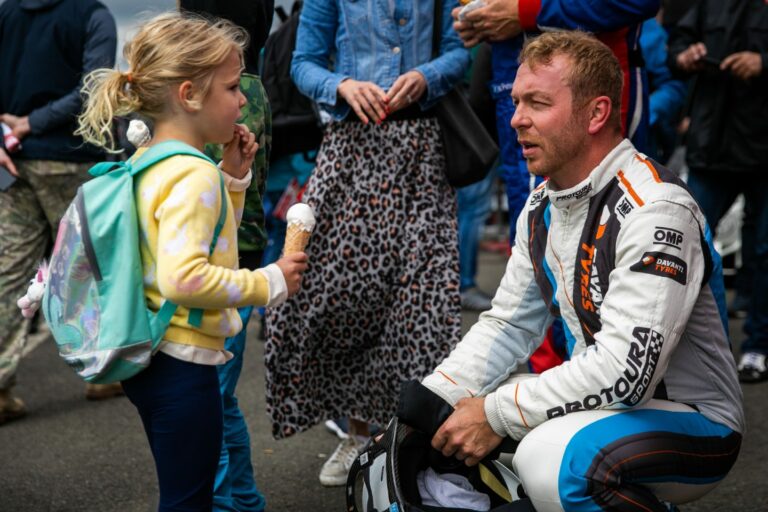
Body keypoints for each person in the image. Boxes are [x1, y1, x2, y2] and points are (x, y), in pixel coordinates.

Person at [402, 31, 744, 511]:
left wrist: (495, 412)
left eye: (537, 103)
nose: (517, 119)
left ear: (596, 113)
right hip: (613, 408)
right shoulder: (542, 201)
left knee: (549, 461)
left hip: (700, 421)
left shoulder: (658, 207)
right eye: (517, 101)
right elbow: (508, 324)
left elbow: (626, 372)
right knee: (469, 443)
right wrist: (432, 400)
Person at [75, 13, 307, 510]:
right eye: (231, 87)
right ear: (188, 96)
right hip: (183, 364)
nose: (244, 99)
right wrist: (269, 281)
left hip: (150, 356)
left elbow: (193, 238)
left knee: (182, 490)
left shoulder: (150, 160)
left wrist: (233, 179)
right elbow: (185, 277)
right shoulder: (192, 176)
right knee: (188, 500)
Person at [265, 0, 470, 487]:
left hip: (422, 152)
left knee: (424, 301)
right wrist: (341, 84)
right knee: (341, 298)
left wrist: (426, 76)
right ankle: (357, 432)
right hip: (351, 150)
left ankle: (415, 441)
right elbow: (302, 64)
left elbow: (458, 55)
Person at [0, 0, 118, 424]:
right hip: (71, 159)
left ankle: (0, 386)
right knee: (86, 267)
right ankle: (102, 371)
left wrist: (8, 134)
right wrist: (33, 121)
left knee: (8, 271)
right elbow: (94, 90)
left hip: (12, 164)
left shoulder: (7, 12)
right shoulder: (92, 15)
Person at [177, 2, 274, 510]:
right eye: (233, 91)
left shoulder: (224, 102)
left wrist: (269, 283)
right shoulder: (185, 166)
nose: (241, 104)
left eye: (240, 89)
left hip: (228, 272)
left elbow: (192, 267)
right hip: (233, 260)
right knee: (218, 399)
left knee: (213, 400)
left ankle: (229, 502)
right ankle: (241, 500)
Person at [668, 0, 768, 384]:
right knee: (687, 239)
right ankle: (701, 351)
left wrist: (762, 62)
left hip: (762, 145)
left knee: (763, 251)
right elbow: (676, 46)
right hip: (713, 143)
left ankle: (758, 346)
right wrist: (685, 56)